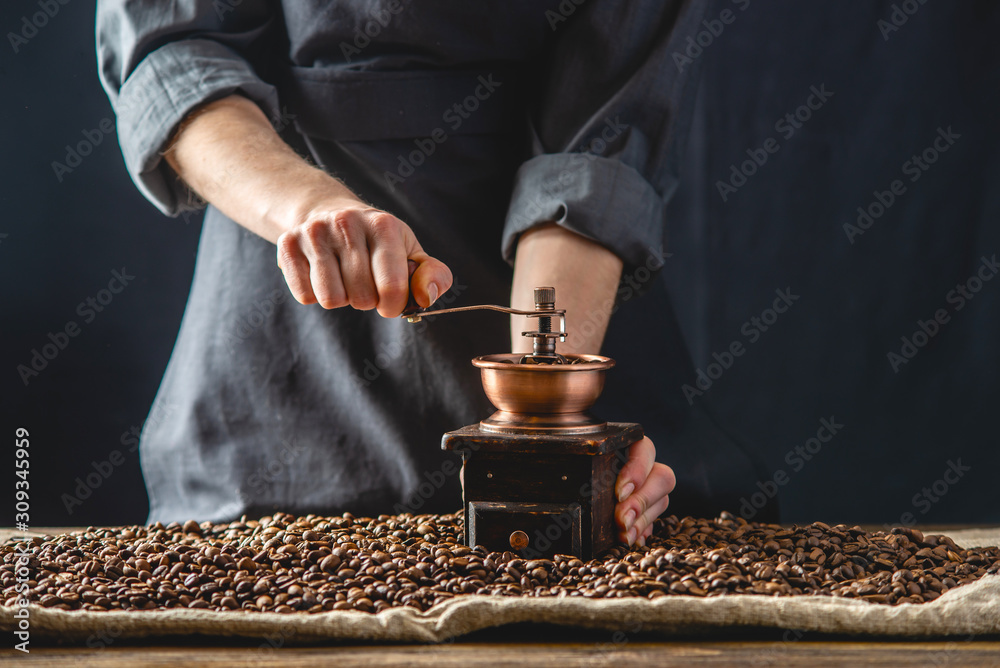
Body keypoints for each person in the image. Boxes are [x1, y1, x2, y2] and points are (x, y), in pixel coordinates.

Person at [96, 0, 776, 546]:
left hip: (575, 308)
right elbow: (171, 54)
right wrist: (312, 208)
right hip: (277, 365)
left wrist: (556, 441)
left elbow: (597, 155)